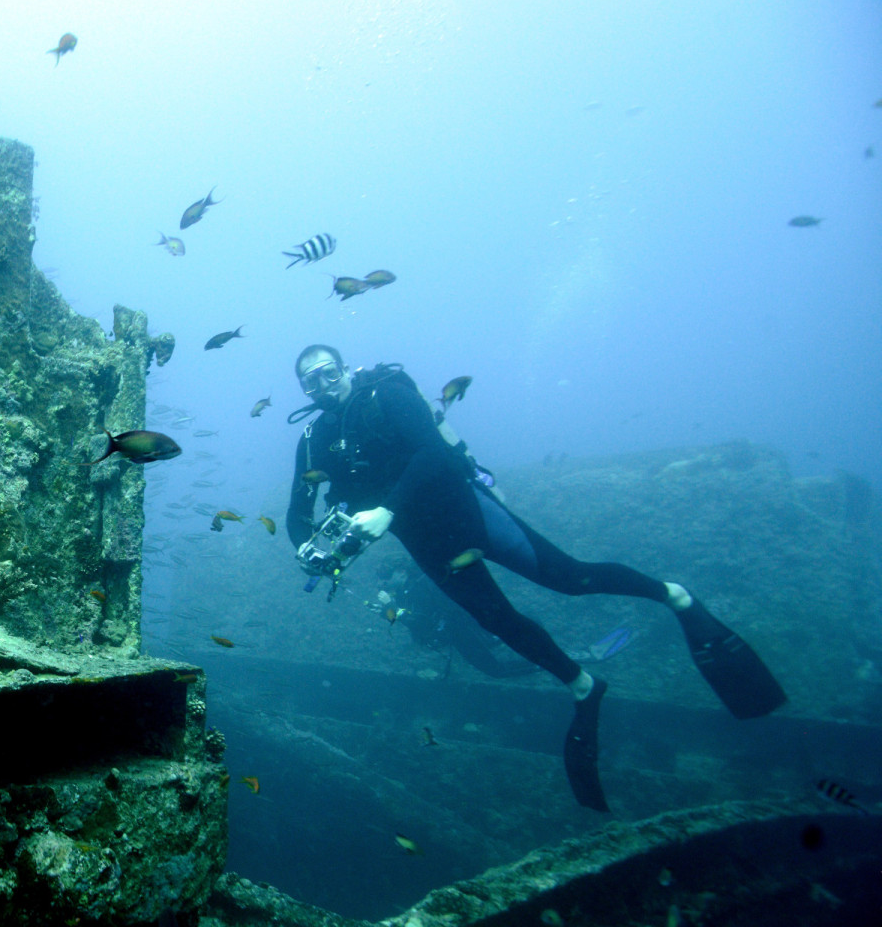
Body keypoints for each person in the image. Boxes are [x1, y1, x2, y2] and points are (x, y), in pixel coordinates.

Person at [283, 344, 785, 811]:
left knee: (569, 577)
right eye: (310, 381)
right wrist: (304, 546)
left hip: (466, 513)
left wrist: (388, 510)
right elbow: (296, 511)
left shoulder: (385, 395)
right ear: (305, 391)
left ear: (346, 369)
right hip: (425, 541)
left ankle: (674, 596)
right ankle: (583, 684)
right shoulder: (316, 439)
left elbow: (432, 452)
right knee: (498, 621)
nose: (322, 384)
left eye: (328, 371)